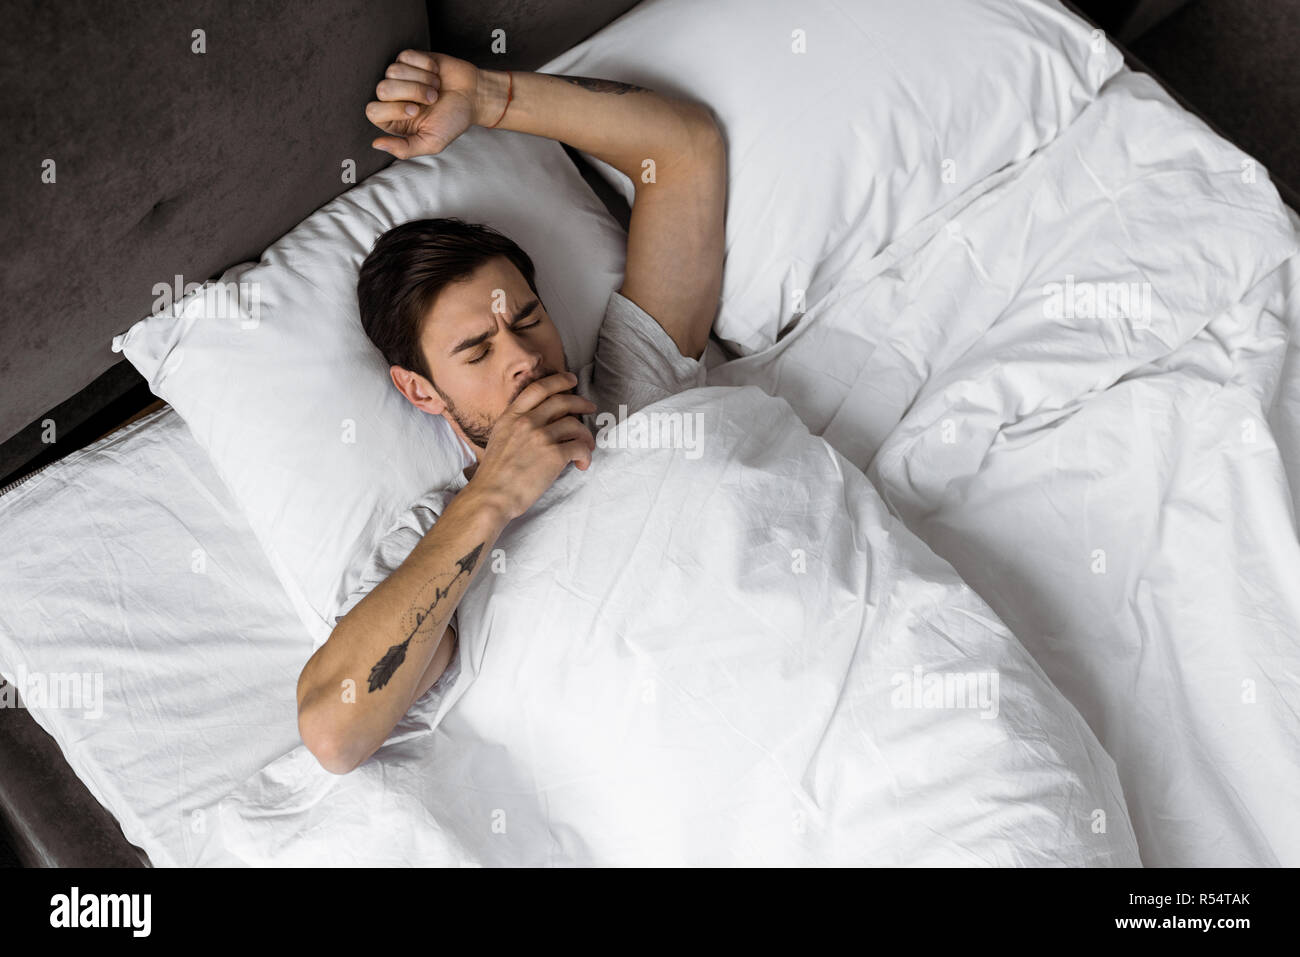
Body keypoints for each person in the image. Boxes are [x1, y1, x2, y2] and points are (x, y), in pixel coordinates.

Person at [296, 50, 727, 774]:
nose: (523, 355)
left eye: (525, 317)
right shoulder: (428, 541)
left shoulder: (632, 384)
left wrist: (490, 95)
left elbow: (685, 149)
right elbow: (334, 730)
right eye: (476, 350)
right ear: (421, 391)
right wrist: (493, 495)